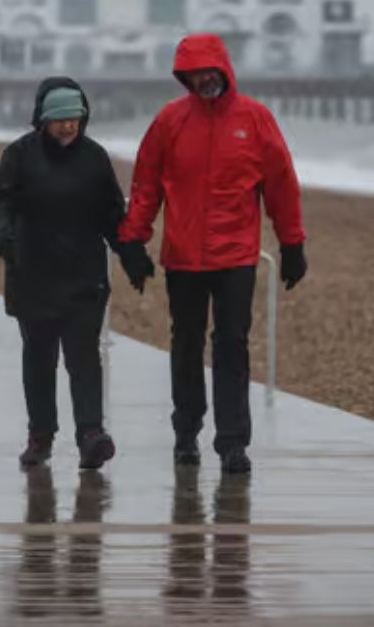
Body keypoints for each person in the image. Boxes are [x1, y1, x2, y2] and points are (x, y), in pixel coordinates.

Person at [117, 33, 307, 474]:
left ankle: (233, 443)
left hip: (236, 255)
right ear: (184, 77)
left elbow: (281, 184)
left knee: (232, 345)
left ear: (224, 69)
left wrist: (292, 243)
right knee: (185, 342)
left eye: (208, 71)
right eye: (193, 74)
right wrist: (132, 241)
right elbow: (146, 185)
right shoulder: (170, 121)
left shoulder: (255, 119)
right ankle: (186, 432)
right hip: (183, 255)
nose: (203, 79)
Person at [0, 76, 149, 470]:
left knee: (84, 358)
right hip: (33, 275)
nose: (68, 126)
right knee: (39, 361)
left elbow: (112, 214)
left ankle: (91, 435)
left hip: (83, 277)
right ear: (43, 120)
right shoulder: (19, 156)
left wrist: (131, 254)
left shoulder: (94, 158)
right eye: (60, 119)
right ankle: (40, 437)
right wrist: (8, 243)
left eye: (74, 118)